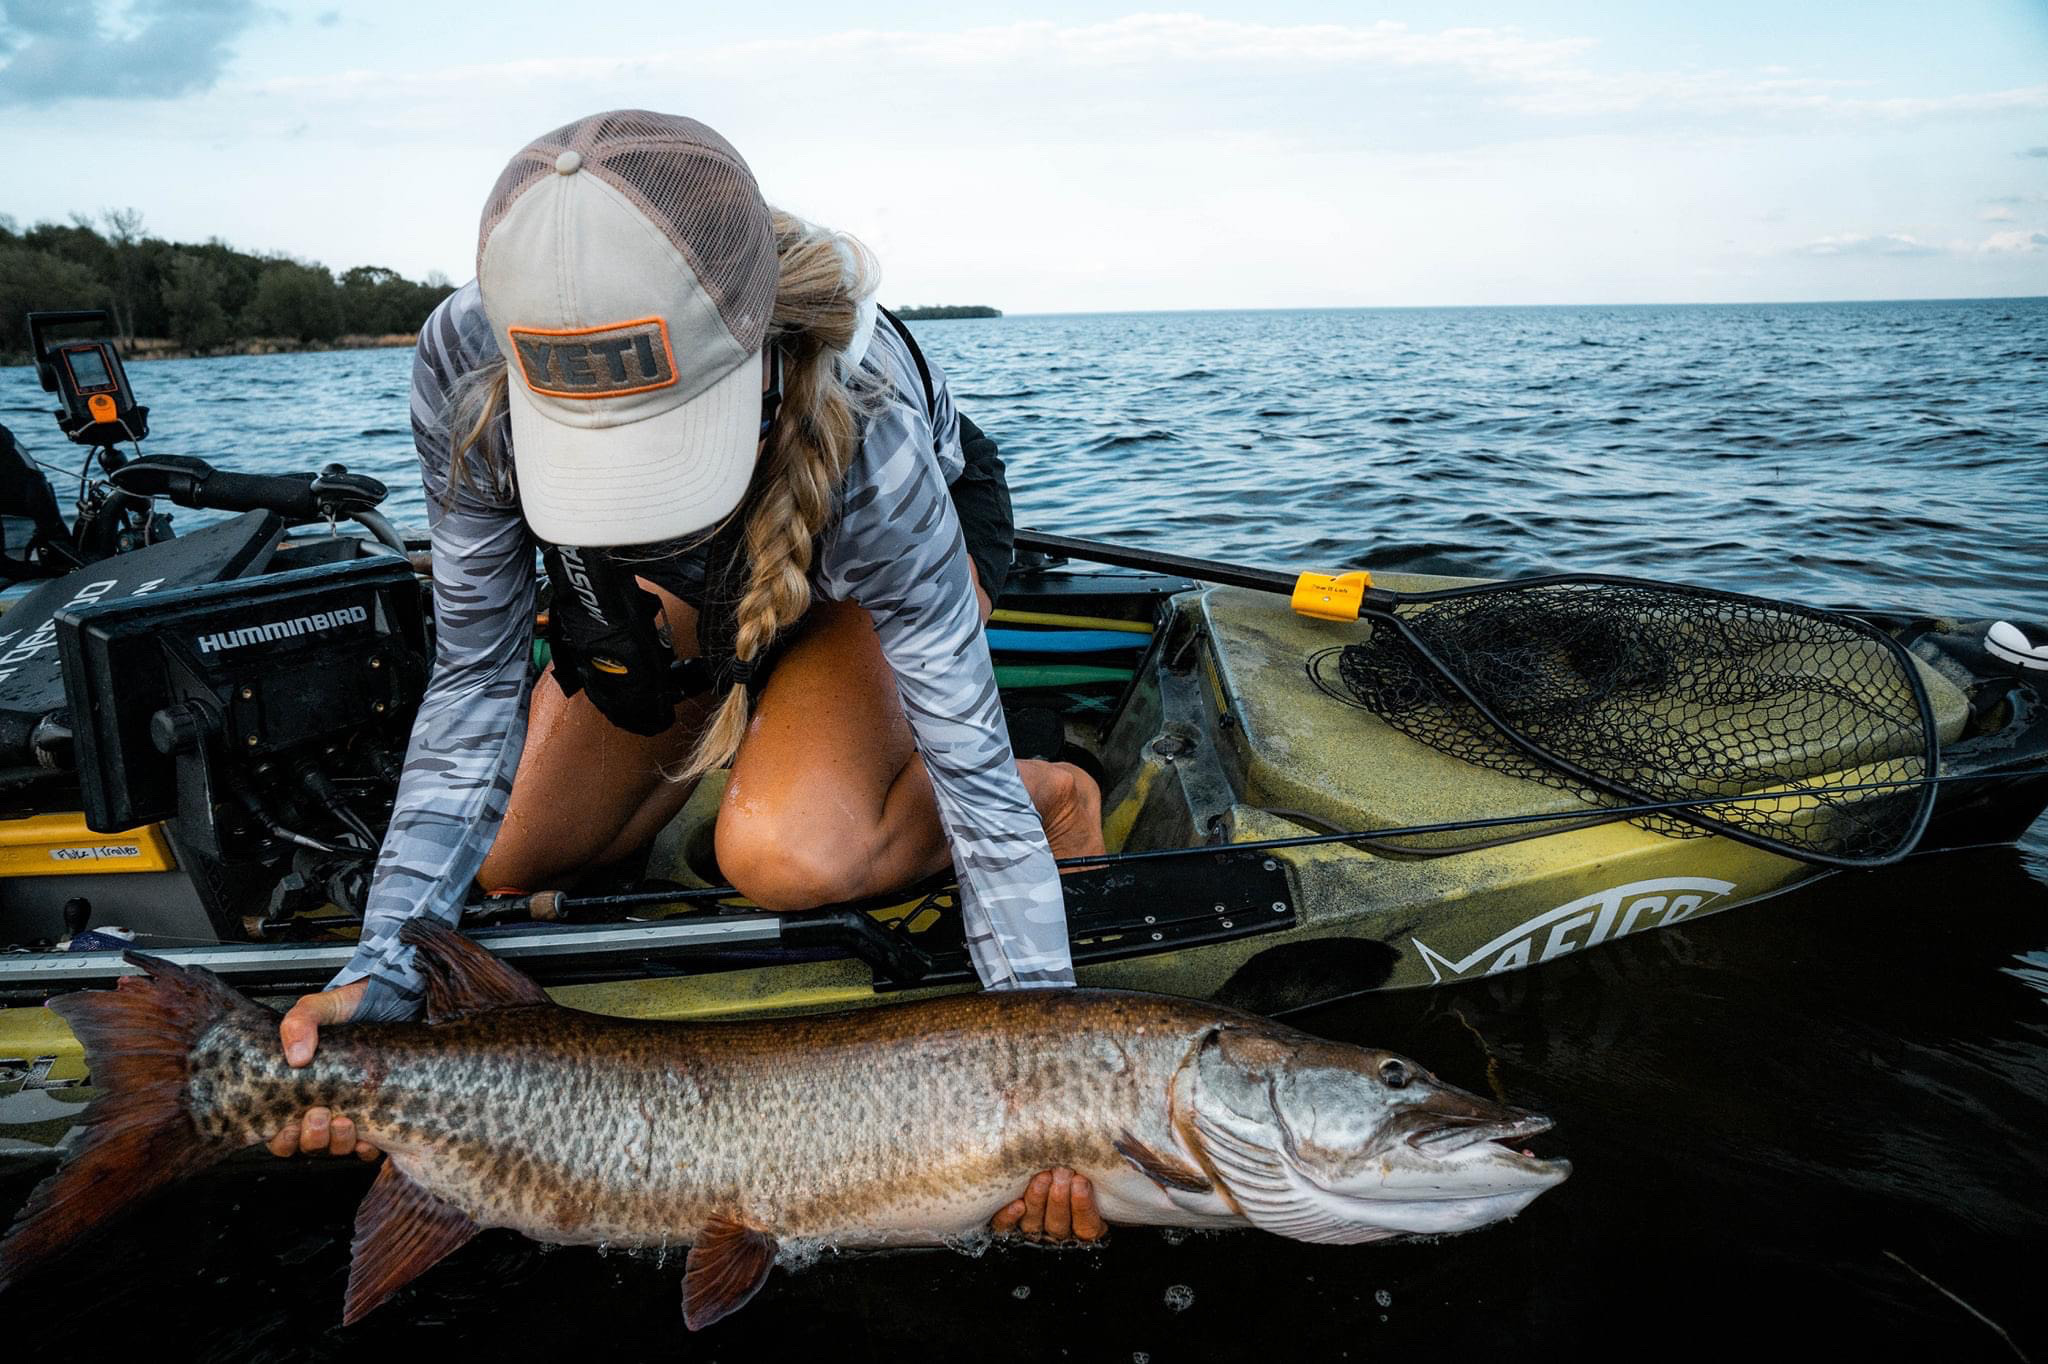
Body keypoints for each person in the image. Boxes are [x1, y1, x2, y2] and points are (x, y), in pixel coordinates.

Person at [263, 110, 1107, 1243]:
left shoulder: (875, 424)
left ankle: (1051, 782)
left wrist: (1045, 1078)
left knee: (782, 853)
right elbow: (469, 685)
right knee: (509, 855)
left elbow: (968, 772)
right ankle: (762, 739)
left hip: (854, 526)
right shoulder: (460, 358)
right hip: (661, 570)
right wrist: (382, 970)